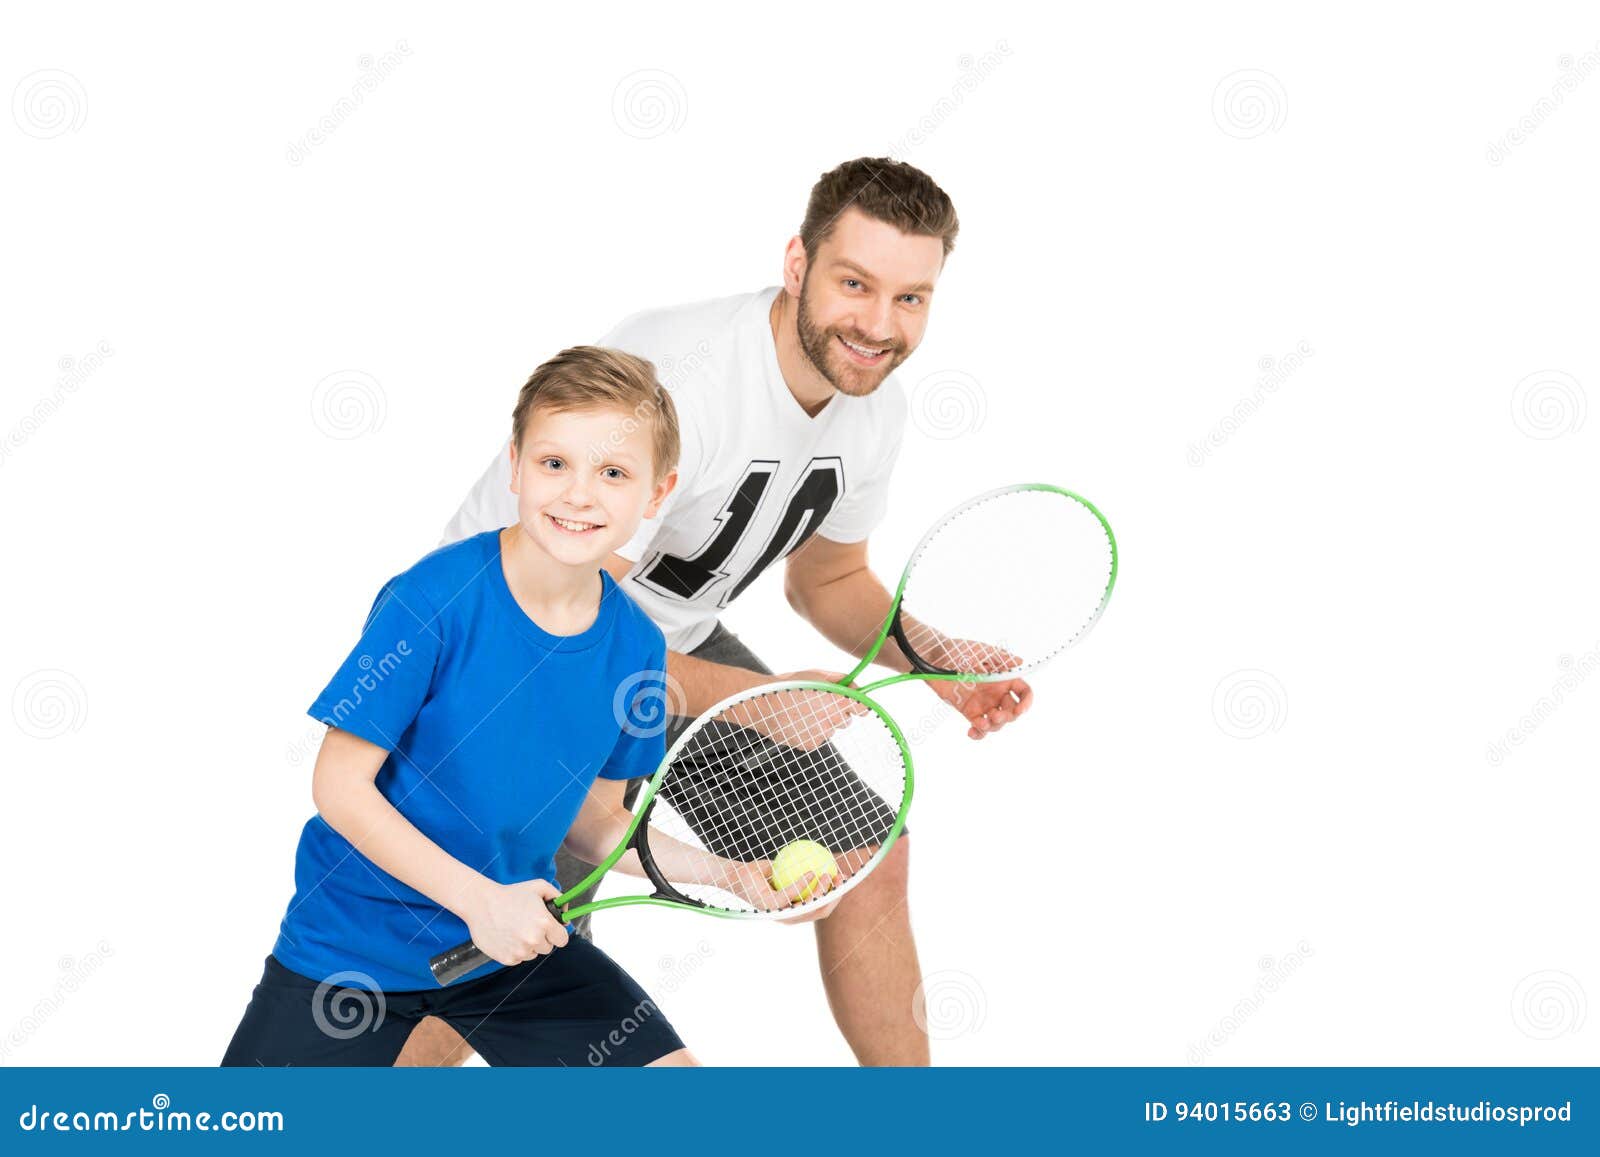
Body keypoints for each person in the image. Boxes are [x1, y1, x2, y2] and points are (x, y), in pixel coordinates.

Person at [399, 157, 1033, 1068]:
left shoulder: (871, 410)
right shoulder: (678, 377)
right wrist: (756, 696)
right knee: (514, 931)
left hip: (662, 651)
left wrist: (937, 661)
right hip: (503, 660)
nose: (878, 325)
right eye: (855, 284)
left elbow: (828, 581)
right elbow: (569, 624)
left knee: (864, 854)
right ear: (797, 263)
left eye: (911, 299)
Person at [223, 347, 803, 1066]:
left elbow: (595, 822)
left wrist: (727, 872)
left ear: (658, 494)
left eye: (614, 473)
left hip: (511, 954)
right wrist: (480, 902)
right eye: (555, 463)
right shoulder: (432, 599)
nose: (579, 494)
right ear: (516, 465)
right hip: (351, 948)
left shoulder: (638, 651)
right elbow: (337, 786)